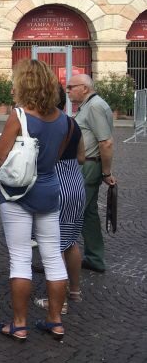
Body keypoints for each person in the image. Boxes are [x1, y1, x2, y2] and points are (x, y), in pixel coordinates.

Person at [0, 59, 69, 342]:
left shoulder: (19, 116)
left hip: (18, 195)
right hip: (50, 191)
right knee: (52, 256)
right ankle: (55, 320)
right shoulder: (63, 118)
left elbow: (0, 158)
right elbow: (57, 156)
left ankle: (20, 323)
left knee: (21, 258)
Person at [35, 85, 87, 314]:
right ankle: (74, 291)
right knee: (71, 241)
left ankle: (58, 302)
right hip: (75, 184)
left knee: (53, 245)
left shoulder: (45, 125)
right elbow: (82, 156)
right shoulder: (72, 123)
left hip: (55, 185)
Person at [68, 74, 116, 273]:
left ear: (85, 88)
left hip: (88, 166)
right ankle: (95, 258)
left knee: (73, 211)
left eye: (71, 87)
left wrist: (106, 173)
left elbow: (105, 142)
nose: (68, 90)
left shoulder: (94, 106)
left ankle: (58, 260)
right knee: (89, 213)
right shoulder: (90, 105)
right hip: (88, 165)